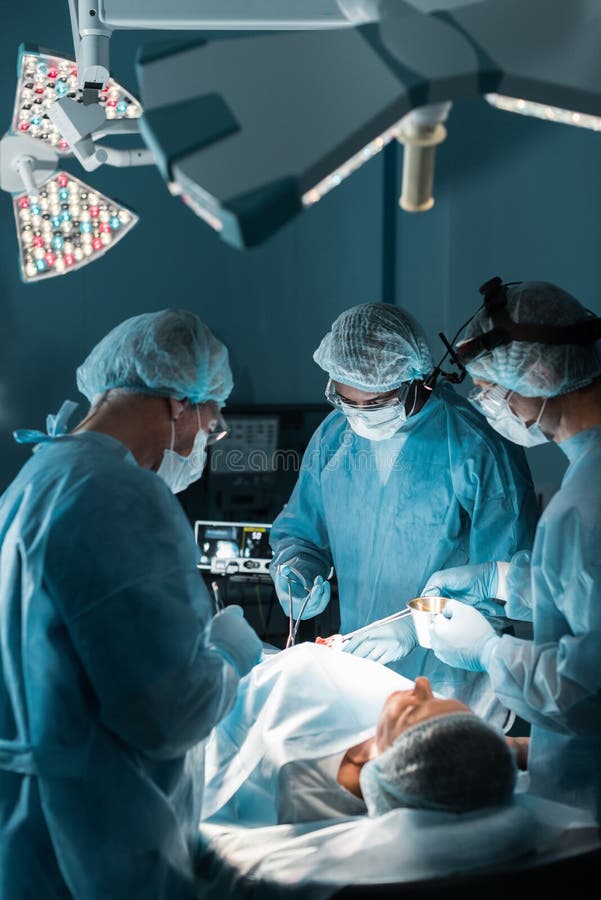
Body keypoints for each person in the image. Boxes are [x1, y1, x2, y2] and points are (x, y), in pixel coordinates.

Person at [0, 309, 263, 900]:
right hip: (99, 839)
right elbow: (171, 714)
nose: (201, 444)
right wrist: (231, 649)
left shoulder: (40, 475)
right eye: (210, 422)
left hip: (31, 831)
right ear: (177, 402)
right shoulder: (120, 495)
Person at [269, 302, 539, 728]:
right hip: (359, 679)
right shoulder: (334, 435)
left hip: (452, 690)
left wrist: (417, 629)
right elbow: (300, 532)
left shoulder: (475, 445)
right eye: (345, 399)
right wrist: (295, 568)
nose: (358, 416)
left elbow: (511, 579)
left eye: (375, 402)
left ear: (417, 383)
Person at [423, 277, 601, 823]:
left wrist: (489, 653)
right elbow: (580, 591)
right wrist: (502, 581)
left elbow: (585, 691)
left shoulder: (584, 506)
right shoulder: (586, 480)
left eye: (489, 391)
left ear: (542, 375)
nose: (485, 406)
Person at [201, 642, 517, 826]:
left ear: (372, 753)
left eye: (416, 706)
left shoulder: (292, 780)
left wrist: (227, 663)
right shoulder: (419, 758)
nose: (421, 684)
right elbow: (481, 753)